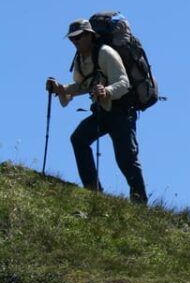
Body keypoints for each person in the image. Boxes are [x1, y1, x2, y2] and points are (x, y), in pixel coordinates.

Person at [46, 19, 148, 203]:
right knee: (79, 139)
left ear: (89, 36)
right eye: (72, 38)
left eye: (78, 37)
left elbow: (124, 83)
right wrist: (61, 89)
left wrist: (106, 91)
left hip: (122, 111)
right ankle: (92, 190)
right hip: (103, 110)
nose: (75, 41)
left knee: (126, 159)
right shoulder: (80, 59)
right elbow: (82, 85)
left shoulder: (106, 53)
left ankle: (140, 202)